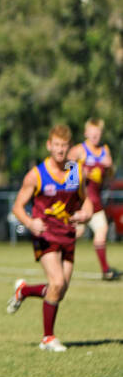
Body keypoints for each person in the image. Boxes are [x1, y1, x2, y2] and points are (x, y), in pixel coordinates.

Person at [6, 124, 93, 351]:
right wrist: (29, 222)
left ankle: (23, 291)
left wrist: (86, 214)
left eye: (64, 146)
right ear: (49, 145)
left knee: (60, 290)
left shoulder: (75, 171)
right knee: (56, 283)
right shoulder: (37, 175)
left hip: (68, 234)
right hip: (45, 235)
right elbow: (17, 207)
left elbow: (87, 200)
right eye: (56, 145)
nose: (60, 150)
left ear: (69, 147)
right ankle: (48, 338)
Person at [70, 118, 116, 280]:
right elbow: (66, 171)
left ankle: (105, 270)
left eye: (98, 133)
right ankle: (54, 256)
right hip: (81, 201)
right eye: (92, 132)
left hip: (96, 202)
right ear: (86, 133)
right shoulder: (78, 150)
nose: (95, 135)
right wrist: (79, 173)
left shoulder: (105, 151)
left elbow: (110, 176)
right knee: (75, 232)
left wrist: (110, 167)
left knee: (101, 230)